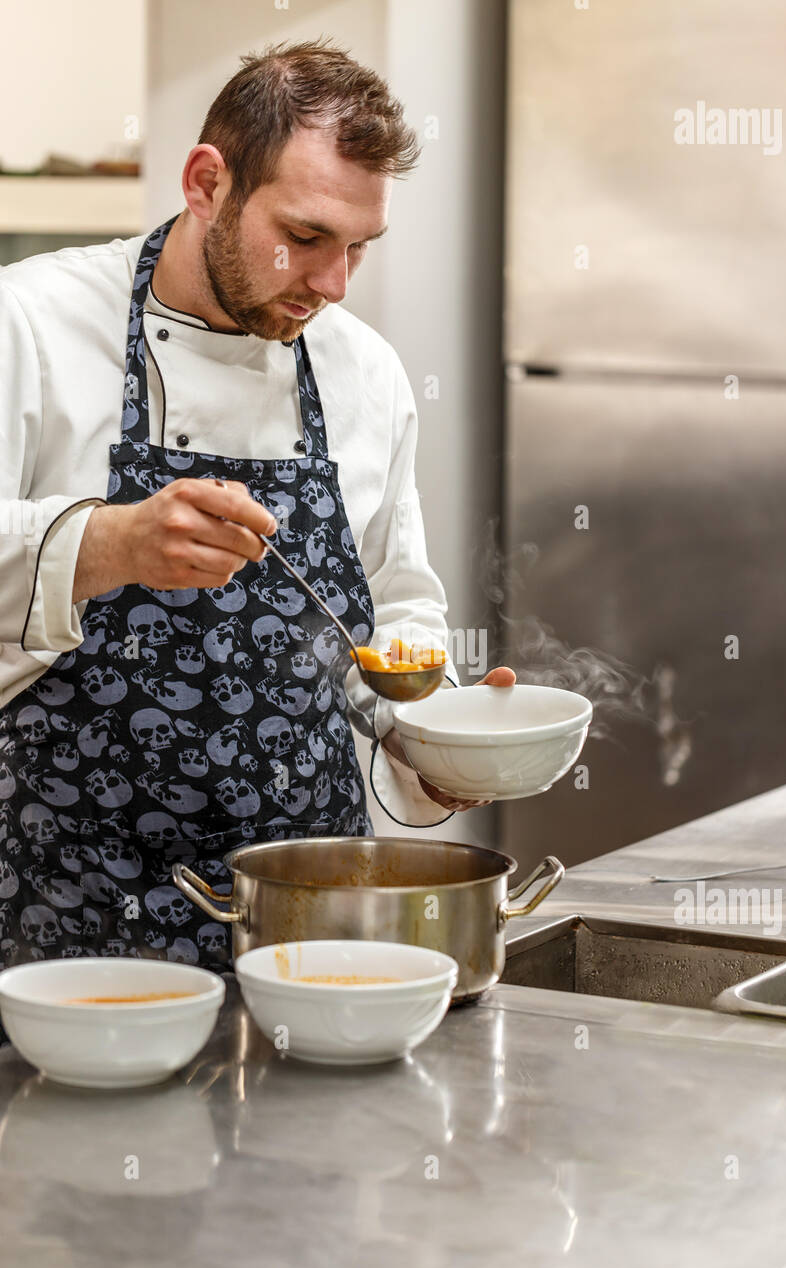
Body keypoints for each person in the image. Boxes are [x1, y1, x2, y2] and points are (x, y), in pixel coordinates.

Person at [0, 39, 515, 973]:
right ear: (207, 183)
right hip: (64, 908)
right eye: (306, 237)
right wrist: (106, 544)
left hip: (309, 913)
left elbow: (394, 607)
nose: (334, 284)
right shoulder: (29, 323)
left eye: (359, 247)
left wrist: (437, 742)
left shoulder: (365, 372)